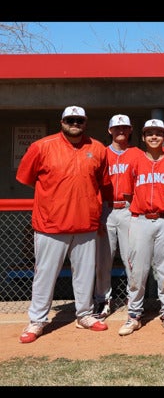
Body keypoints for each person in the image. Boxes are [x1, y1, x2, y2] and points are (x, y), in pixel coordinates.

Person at [17, 105, 110, 343]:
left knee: (85, 275)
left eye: (79, 120)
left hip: (85, 223)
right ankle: (37, 320)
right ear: (62, 122)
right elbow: (27, 178)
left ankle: (85, 314)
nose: (75, 123)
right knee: (45, 275)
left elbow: (102, 183)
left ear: (85, 122)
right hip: (51, 224)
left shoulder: (98, 148)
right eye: (70, 119)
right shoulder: (42, 146)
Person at [117, 119, 164, 335]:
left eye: (158, 133)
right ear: (143, 138)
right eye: (149, 133)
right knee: (138, 269)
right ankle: (134, 313)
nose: (154, 136)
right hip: (141, 219)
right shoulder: (134, 161)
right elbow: (127, 194)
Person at [93, 114, 142, 321]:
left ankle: (133, 299)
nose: (120, 131)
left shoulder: (138, 154)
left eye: (124, 128)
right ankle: (102, 300)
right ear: (110, 130)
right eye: (117, 128)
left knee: (131, 259)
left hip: (129, 209)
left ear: (130, 130)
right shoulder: (101, 153)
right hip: (107, 209)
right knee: (103, 259)